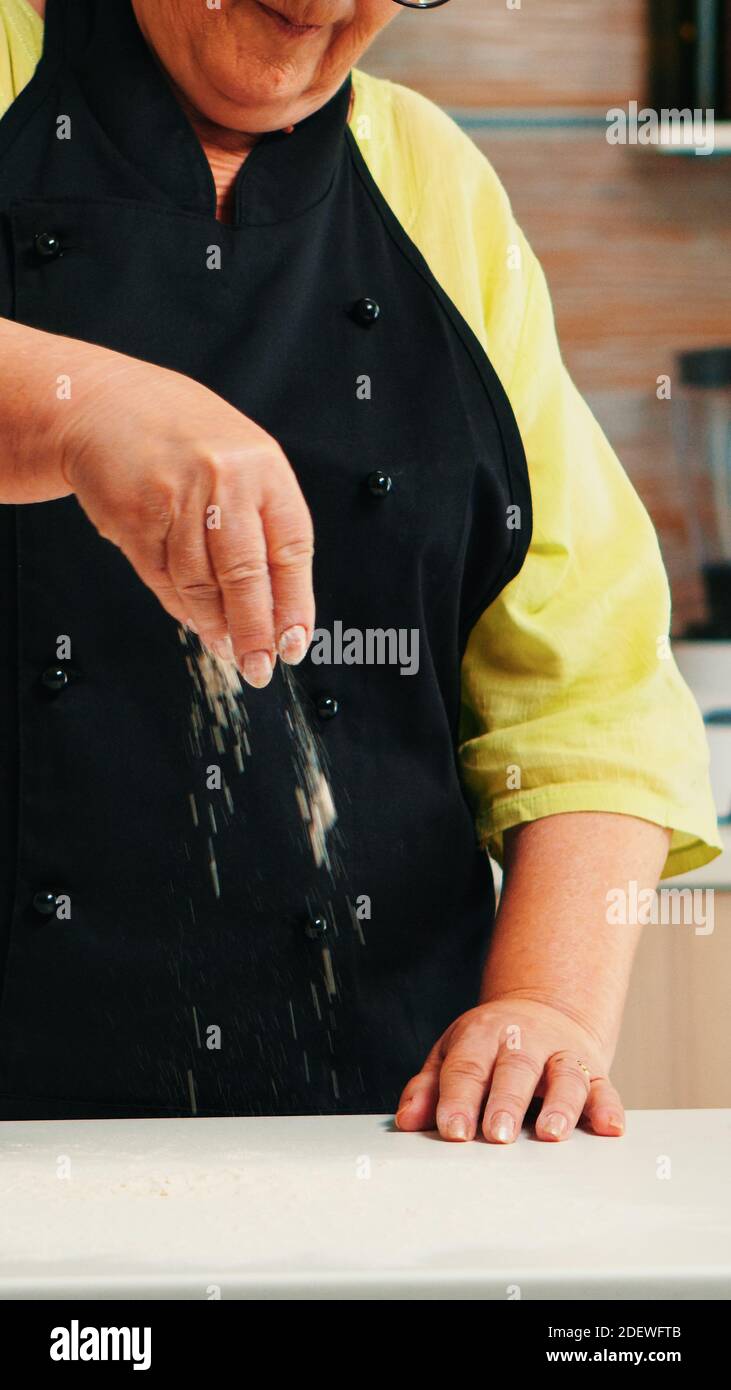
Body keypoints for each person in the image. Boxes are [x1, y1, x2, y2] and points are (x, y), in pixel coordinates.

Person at [0, 0, 720, 1140]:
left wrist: (543, 1006)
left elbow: (591, 696)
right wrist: (79, 410)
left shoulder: (430, 176)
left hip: (391, 1135)